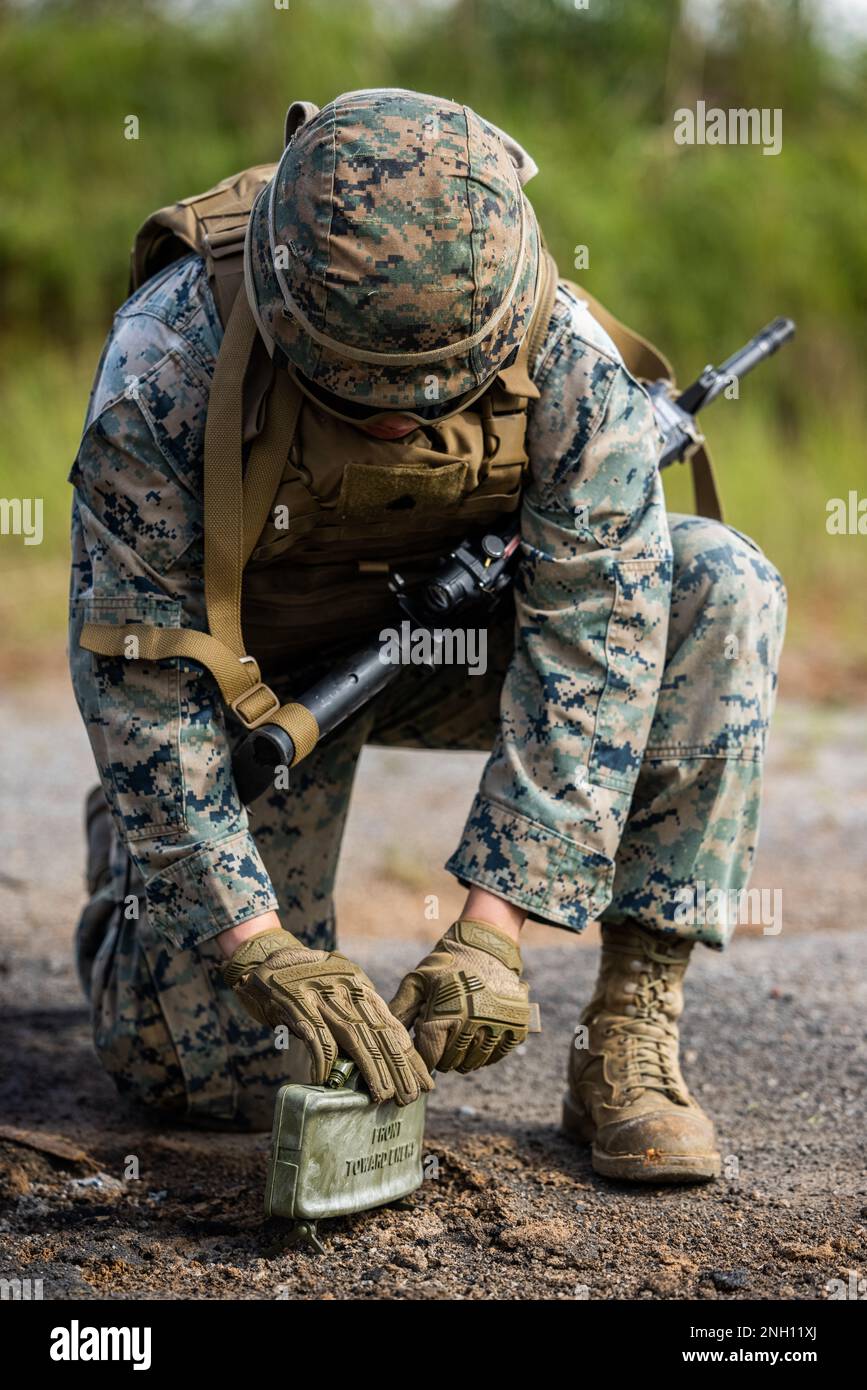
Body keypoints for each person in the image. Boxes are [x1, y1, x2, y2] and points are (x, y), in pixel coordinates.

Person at [70, 88, 786, 1181]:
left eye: (432, 399)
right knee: (211, 1084)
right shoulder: (165, 365)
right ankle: (152, 854)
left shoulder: (562, 348)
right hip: (263, 692)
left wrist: (494, 927)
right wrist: (252, 943)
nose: (404, 428)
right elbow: (140, 681)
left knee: (720, 585)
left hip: (470, 644)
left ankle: (632, 1037)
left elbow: (600, 629)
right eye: (364, 406)